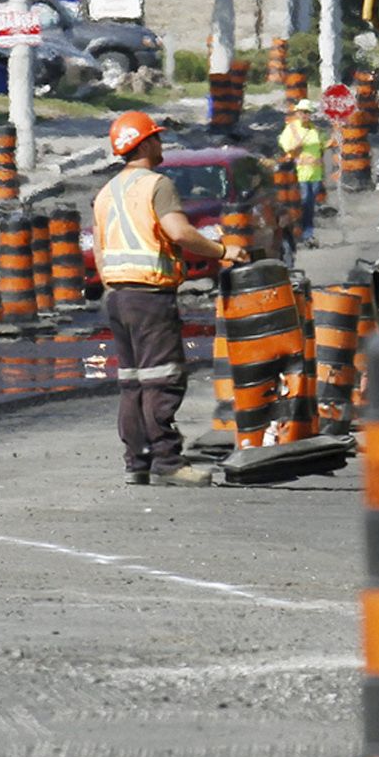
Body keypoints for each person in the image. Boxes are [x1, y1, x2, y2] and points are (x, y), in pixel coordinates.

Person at [94, 109, 242, 486]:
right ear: (144, 143)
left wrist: (114, 287)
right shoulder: (157, 185)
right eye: (157, 137)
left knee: (132, 382)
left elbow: (100, 249)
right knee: (162, 379)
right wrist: (221, 250)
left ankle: (137, 462)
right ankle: (167, 462)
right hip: (149, 295)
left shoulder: (106, 192)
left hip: (117, 296)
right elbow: (179, 232)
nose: (161, 143)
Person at [279, 102, 332, 234]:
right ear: (297, 113)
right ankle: (306, 231)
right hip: (299, 173)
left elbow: (322, 145)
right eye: (302, 112)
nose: (304, 115)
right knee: (305, 201)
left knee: (310, 203)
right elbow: (285, 145)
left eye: (307, 112)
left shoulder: (315, 130)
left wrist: (333, 141)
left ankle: (305, 230)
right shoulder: (292, 129)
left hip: (316, 174)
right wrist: (296, 146)